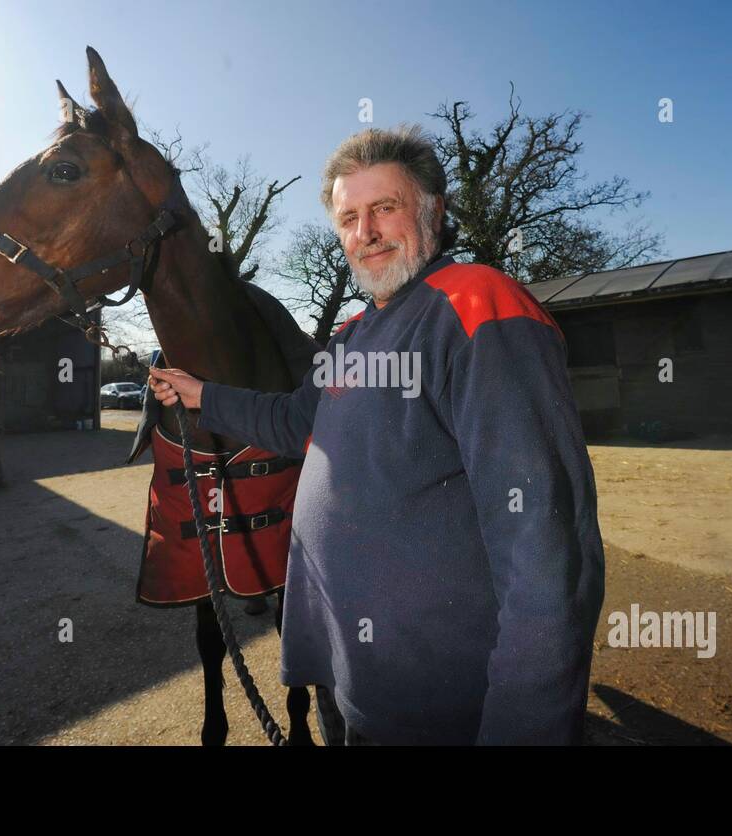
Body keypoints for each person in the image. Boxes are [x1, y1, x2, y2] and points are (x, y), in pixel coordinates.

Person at [148, 125, 605, 745]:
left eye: (384, 209)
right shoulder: (353, 333)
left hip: (438, 703)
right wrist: (203, 395)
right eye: (348, 218)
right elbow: (293, 422)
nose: (364, 234)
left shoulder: (476, 302)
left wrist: (527, 726)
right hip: (354, 678)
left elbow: (547, 542)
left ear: (433, 212)